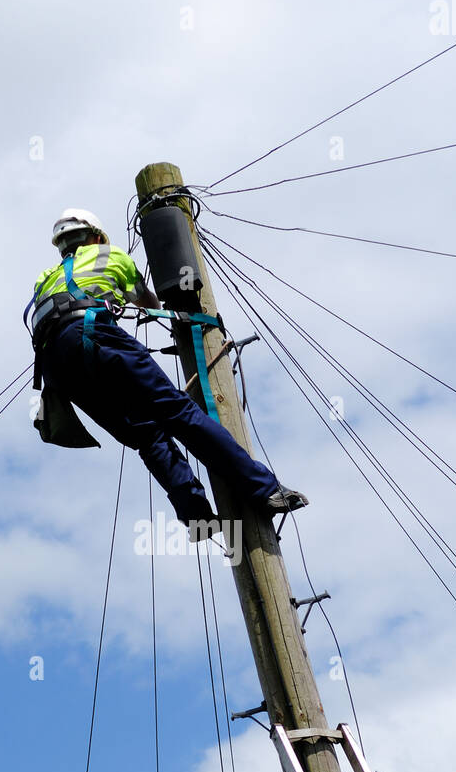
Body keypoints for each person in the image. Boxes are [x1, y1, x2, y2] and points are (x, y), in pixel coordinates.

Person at [27, 207, 308, 531]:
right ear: (97, 236)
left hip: (56, 368)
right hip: (94, 334)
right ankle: (265, 489)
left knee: (147, 435)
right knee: (178, 413)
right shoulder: (111, 256)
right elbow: (150, 306)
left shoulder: (44, 277)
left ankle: (198, 516)